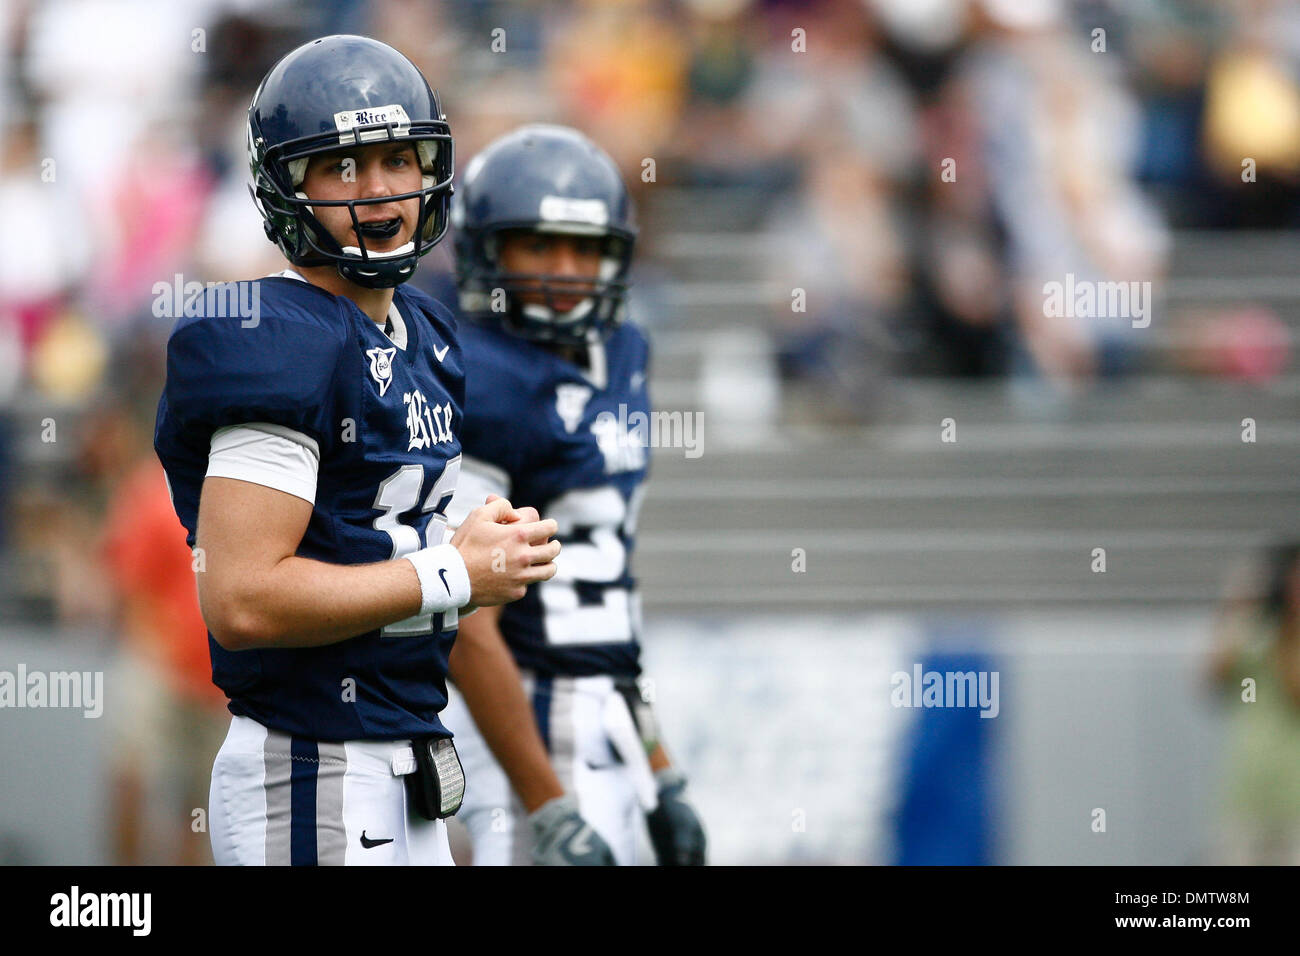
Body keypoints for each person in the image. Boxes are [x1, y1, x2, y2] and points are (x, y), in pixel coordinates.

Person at [153, 35, 561, 866]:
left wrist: (485, 558)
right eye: (342, 167)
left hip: (402, 761)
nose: (378, 191)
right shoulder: (278, 339)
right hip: (310, 766)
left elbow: (445, 588)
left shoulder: (429, 337)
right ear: (286, 188)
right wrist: (452, 572)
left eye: (396, 160)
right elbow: (241, 600)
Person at [438, 124, 706, 865]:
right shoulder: (475, 374)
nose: (565, 270)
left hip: (609, 710)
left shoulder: (625, 353)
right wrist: (548, 804)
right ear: (487, 249)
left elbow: (608, 600)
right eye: (539, 246)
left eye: (585, 248)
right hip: (523, 711)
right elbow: (468, 622)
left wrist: (662, 767)